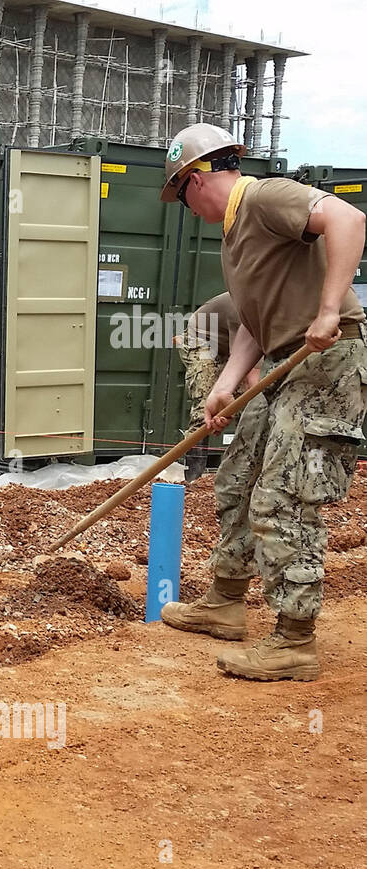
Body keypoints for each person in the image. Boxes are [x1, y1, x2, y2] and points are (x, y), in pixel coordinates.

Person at [156, 123, 367, 681]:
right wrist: (228, 383)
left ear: (196, 179)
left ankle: (295, 639)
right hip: (280, 363)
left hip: (326, 362)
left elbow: (348, 219)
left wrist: (327, 311)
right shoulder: (234, 236)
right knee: (239, 479)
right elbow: (253, 320)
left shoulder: (266, 196)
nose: (185, 206)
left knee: (282, 495)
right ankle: (224, 603)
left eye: (180, 194)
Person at [178, 292, 258, 482]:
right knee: (207, 404)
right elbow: (250, 374)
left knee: (244, 406)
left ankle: (243, 475)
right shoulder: (244, 310)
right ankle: (192, 478)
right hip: (201, 338)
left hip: (229, 343)